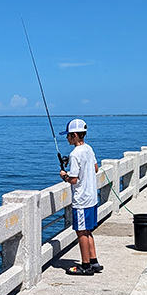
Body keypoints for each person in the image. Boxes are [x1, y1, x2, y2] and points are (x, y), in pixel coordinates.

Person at [59, 118, 103, 275]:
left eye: (69, 135)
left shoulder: (75, 154)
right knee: (88, 231)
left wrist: (64, 175)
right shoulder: (89, 149)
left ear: (75, 135)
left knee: (81, 232)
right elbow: (96, 168)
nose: (67, 138)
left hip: (81, 199)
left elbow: (74, 179)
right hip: (92, 198)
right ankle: (94, 261)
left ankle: (85, 266)